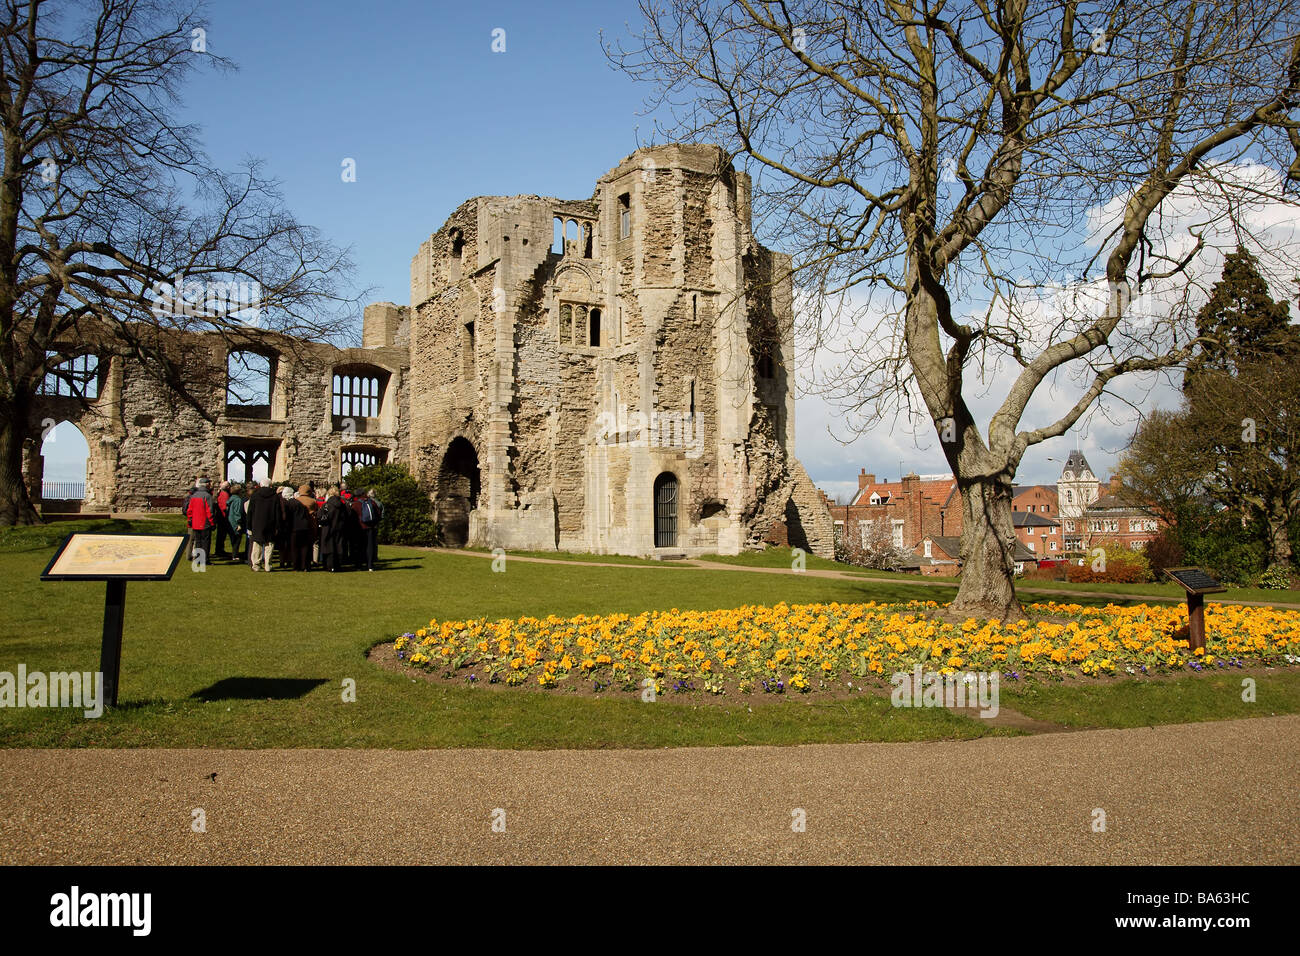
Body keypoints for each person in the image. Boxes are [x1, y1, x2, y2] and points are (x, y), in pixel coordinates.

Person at [245, 480, 281, 572]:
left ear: (260, 485)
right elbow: (278, 513)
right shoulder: (275, 496)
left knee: (257, 544)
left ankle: (256, 565)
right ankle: (268, 565)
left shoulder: (255, 495)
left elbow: (250, 512)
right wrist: (277, 525)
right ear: (270, 485)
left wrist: (249, 525)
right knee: (269, 544)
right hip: (271, 523)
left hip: (257, 523)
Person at [184, 477, 215, 563]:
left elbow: (190, 510)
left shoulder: (194, 495)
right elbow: (209, 511)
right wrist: (212, 523)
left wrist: (190, 520)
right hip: (205, 523)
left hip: (195, 523)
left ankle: (198, 559)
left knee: (198, 542)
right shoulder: (207, 496)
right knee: (205, 542)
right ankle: (205, 559)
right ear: (207, 485)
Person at [319, 485, 349, 572]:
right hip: (339, 528)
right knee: (338, 546)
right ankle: (337, 565)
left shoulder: (327, 505)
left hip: (328, 527)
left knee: (329, 547)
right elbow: (347, 516)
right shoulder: (342, 505)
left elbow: (320, 516)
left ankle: (329, 566)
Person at [290, 484, 318, 571]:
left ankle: (296, 565)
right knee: (306, 547)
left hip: (296, 525)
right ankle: (306, 565)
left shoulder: (296, 501)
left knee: (295, 547)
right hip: (308, 525)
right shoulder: (312, 501)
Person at [354, 489, 382, 572]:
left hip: (359, 528)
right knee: (370, 547)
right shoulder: (372, 503)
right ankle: (370, 565)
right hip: (370, 527)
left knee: (359, 546)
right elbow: (378, 514)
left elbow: (352, 516)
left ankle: (359, 565)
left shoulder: (356, 504)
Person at [226, 483, 246, 563]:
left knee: (233, 539)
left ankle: (234, 554)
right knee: (237, 539)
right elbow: (237, 512)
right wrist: (238, 523)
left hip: (229, 521)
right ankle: (235, 555)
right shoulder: (238, 500)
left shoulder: (231, 499)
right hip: (234, 521)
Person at [276, 486, 295, 569]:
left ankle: (282, 561)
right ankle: (288, 561)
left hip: (281, 525)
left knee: (282, 546)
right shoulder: (288, 502)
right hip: (288, 525)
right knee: (288, 545)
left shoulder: (278, 500)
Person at [213, 480, 232, 559]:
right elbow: (225, 507)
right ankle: (219, 550)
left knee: (220, 535)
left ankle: (219, 550)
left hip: (220, 517)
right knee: (222, 535)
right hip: (223, 517)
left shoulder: (220, 493)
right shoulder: (225, 494)